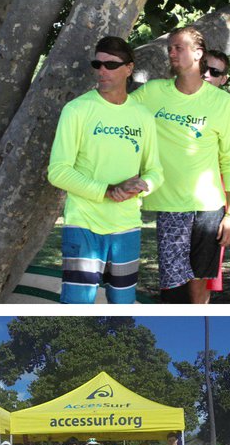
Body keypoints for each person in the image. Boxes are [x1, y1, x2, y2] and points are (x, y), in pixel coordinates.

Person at [131, 25, 230, 304]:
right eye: (170, 48)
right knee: (174, 288)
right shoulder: (153, 92)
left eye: (178, 47)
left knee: (200, 283)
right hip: (170, 206)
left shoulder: (223, 102)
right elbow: (118, 111)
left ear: (198, 53)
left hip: (210, 207)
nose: (171, 53)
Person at [48, 35, 161, 304]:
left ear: (129, 68)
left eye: (111, 65)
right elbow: (58, 171)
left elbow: (155, 170)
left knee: (122, 308)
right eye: (97, 64)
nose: (102, 71)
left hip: (127, 228)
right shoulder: (77, 110)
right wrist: (107, 191)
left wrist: (143, 186)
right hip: (83, 225)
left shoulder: (143, 116)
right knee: (77, 308)